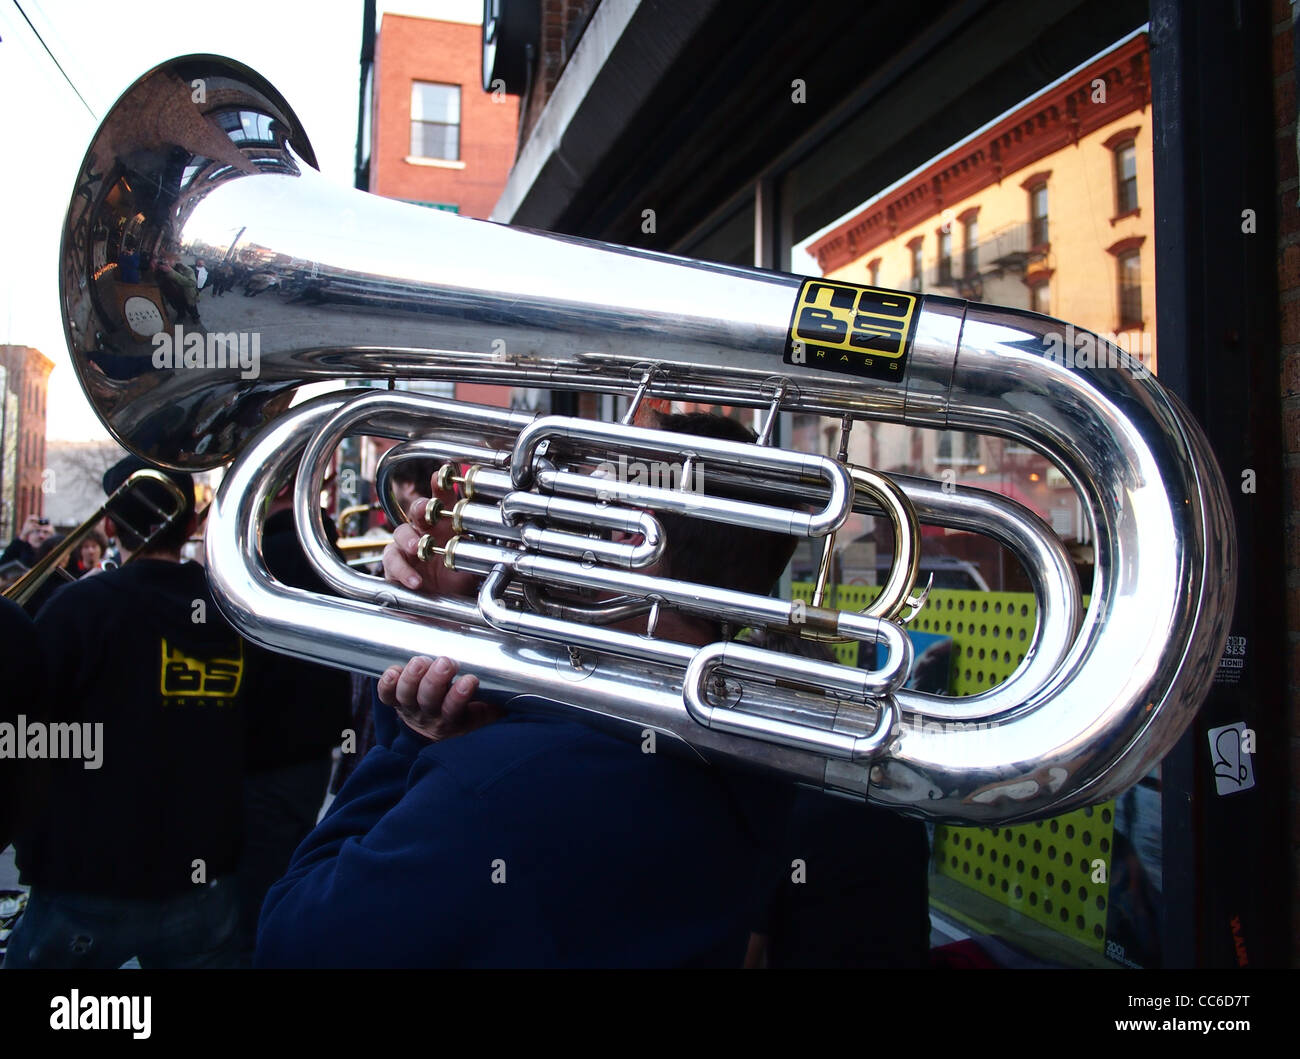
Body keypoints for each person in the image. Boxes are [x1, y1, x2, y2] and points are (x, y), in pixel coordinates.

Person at [256, 413, 800, 967]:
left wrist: (416, 742)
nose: (525, 516)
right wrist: (448, 630)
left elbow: (292, 939)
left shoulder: (497, 785)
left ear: (630, 539)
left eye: (570, 494)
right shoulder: (758, 757)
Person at [4, 457, 249, 969]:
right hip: (204, 874)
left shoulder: (77, 609)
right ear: (192, 525)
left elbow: (24, 731)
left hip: (84, 877)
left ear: (110, 524)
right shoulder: (237, 612)